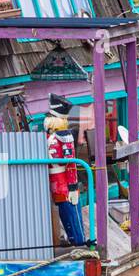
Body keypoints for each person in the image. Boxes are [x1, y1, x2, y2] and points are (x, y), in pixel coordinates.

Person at [46, 95, 85, 246]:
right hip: (55, 182)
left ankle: (79, 243)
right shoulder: (49, 136)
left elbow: (70, 164)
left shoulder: (64, 137)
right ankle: (75, 240)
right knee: (64, 214)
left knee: (72, 216)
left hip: (64, 183)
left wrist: (73, 187)